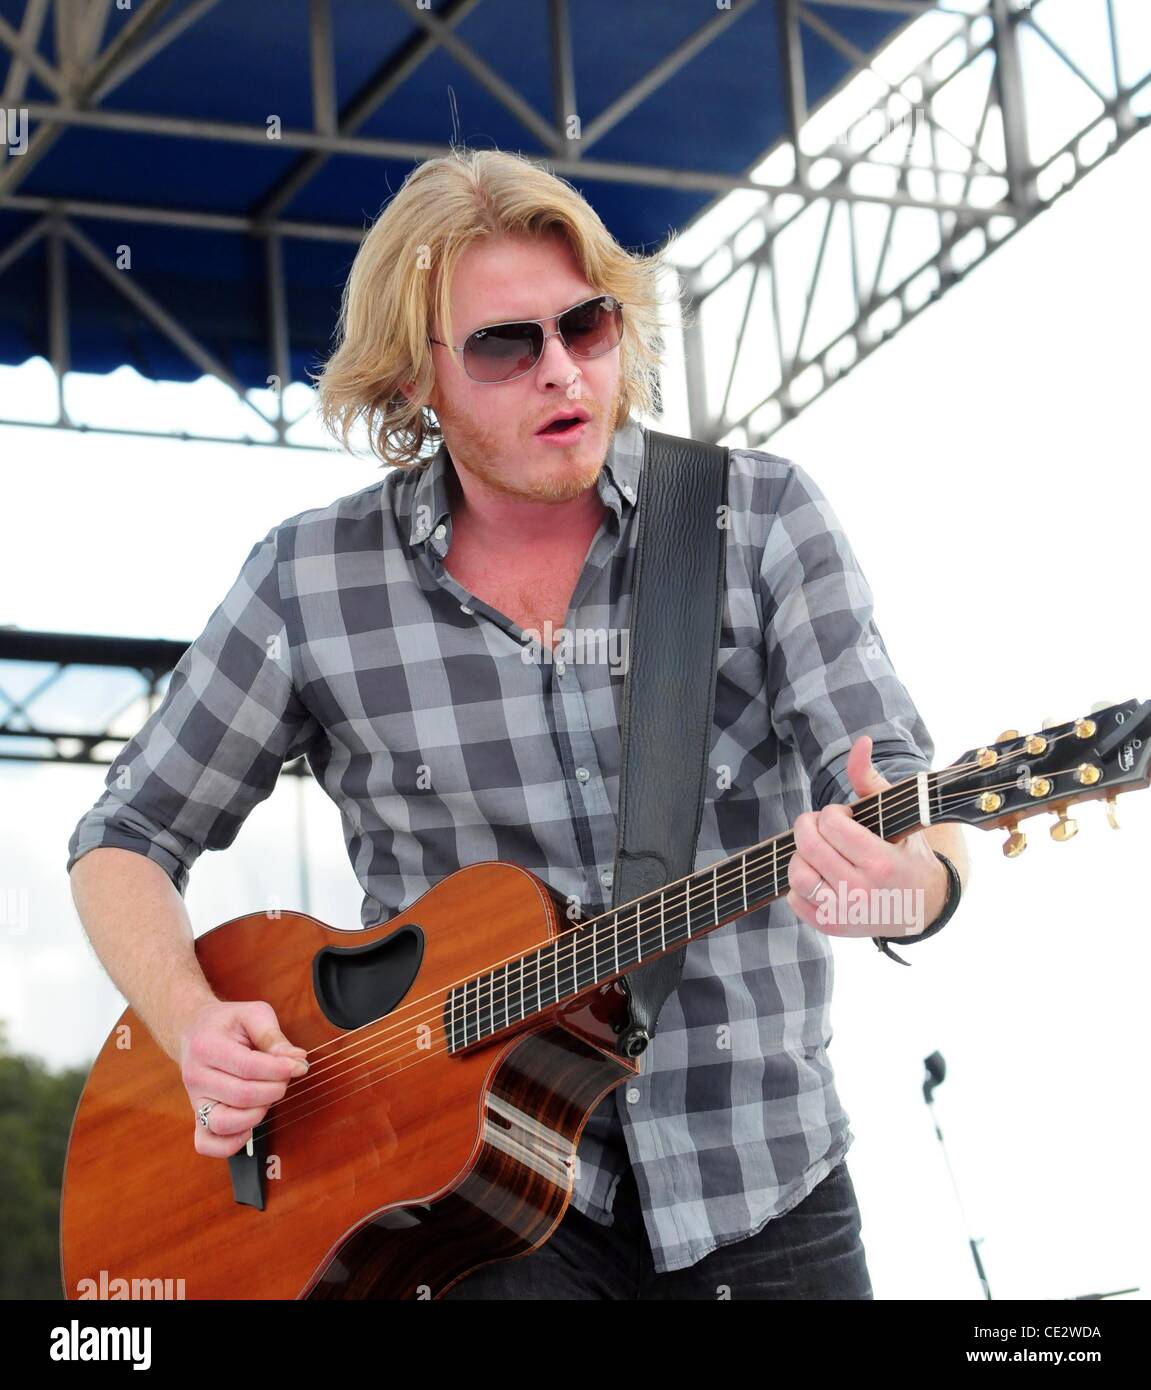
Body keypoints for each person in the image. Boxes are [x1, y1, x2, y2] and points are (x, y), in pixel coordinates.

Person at [67, 146, 969, 1300]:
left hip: (760, 1182)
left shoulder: (757, 516)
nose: (561, 371)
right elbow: (123, 838)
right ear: (412, 382)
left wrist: (906, 885)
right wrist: (190, 1021)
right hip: (456, 1213)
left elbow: (905, 803)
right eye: (505, 343)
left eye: (584, 326)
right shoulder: (308, 581)